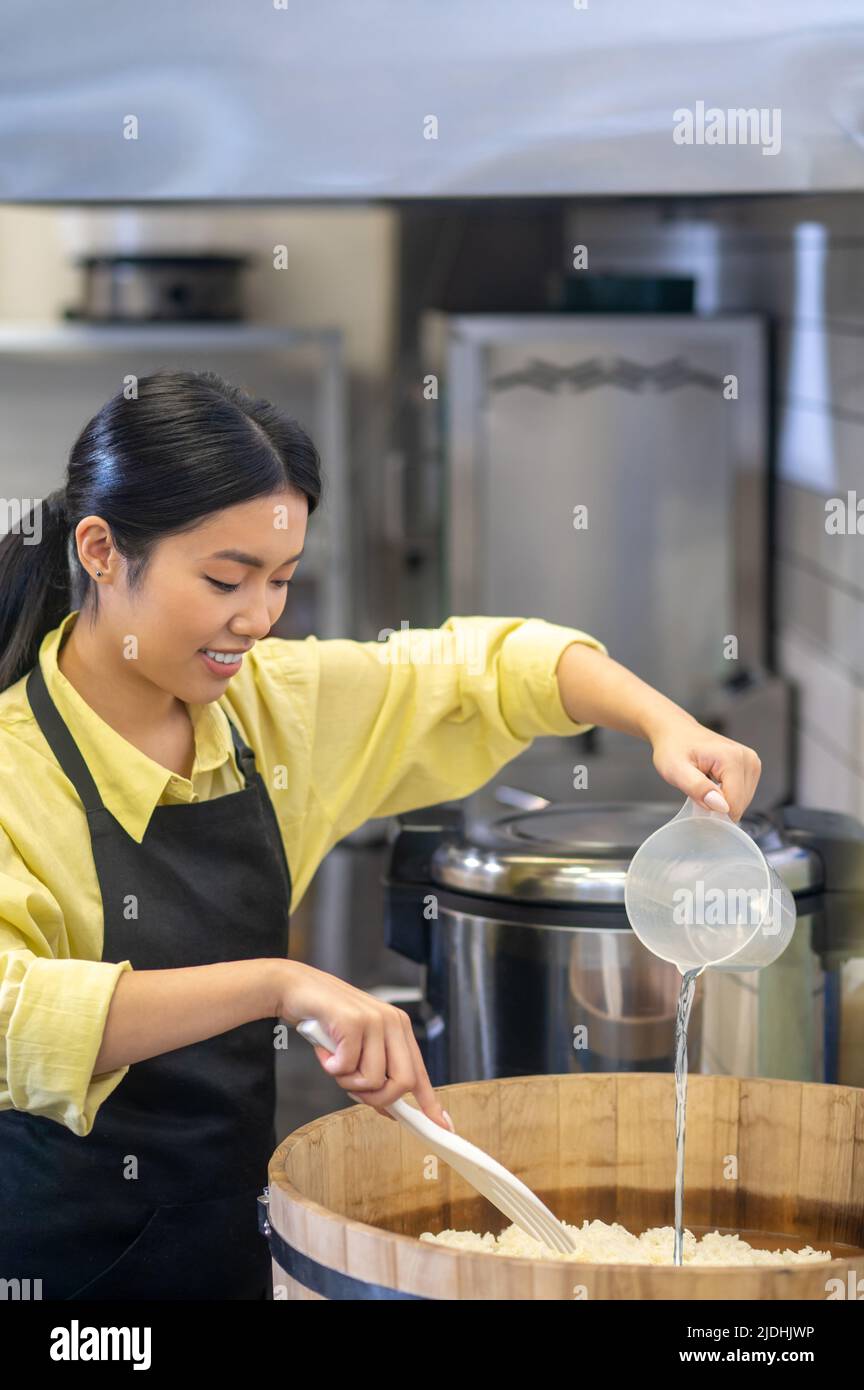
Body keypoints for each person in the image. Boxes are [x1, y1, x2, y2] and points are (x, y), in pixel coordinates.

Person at [0, 370, 761, 1300]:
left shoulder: (268, 712)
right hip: (56, 1268)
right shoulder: (15, 768)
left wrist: (663, 724)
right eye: (224, 580)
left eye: (281, 580)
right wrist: (281, 984)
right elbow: (16, 1016)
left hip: (227, 1247)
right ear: (102, 550)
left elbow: (484, 671)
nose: (259, 619)